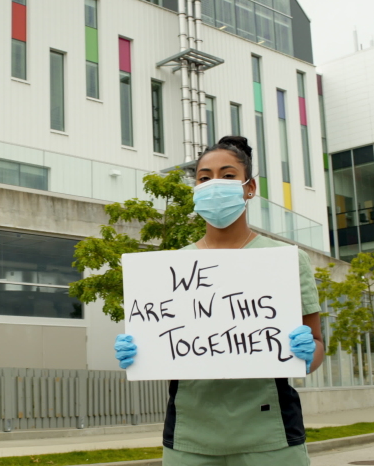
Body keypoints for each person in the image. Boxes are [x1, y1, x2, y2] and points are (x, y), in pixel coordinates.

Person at [114, 136, 324, 466]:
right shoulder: (170, 268)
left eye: (228, 176)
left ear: (250, 187)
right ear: (195, 190)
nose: (215, 185)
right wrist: (139, 351)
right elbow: (161, 342)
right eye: (204, 177)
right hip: (190, 437)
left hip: (271, 436)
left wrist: (308, 352)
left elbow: (317, 346)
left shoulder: (285, 261)